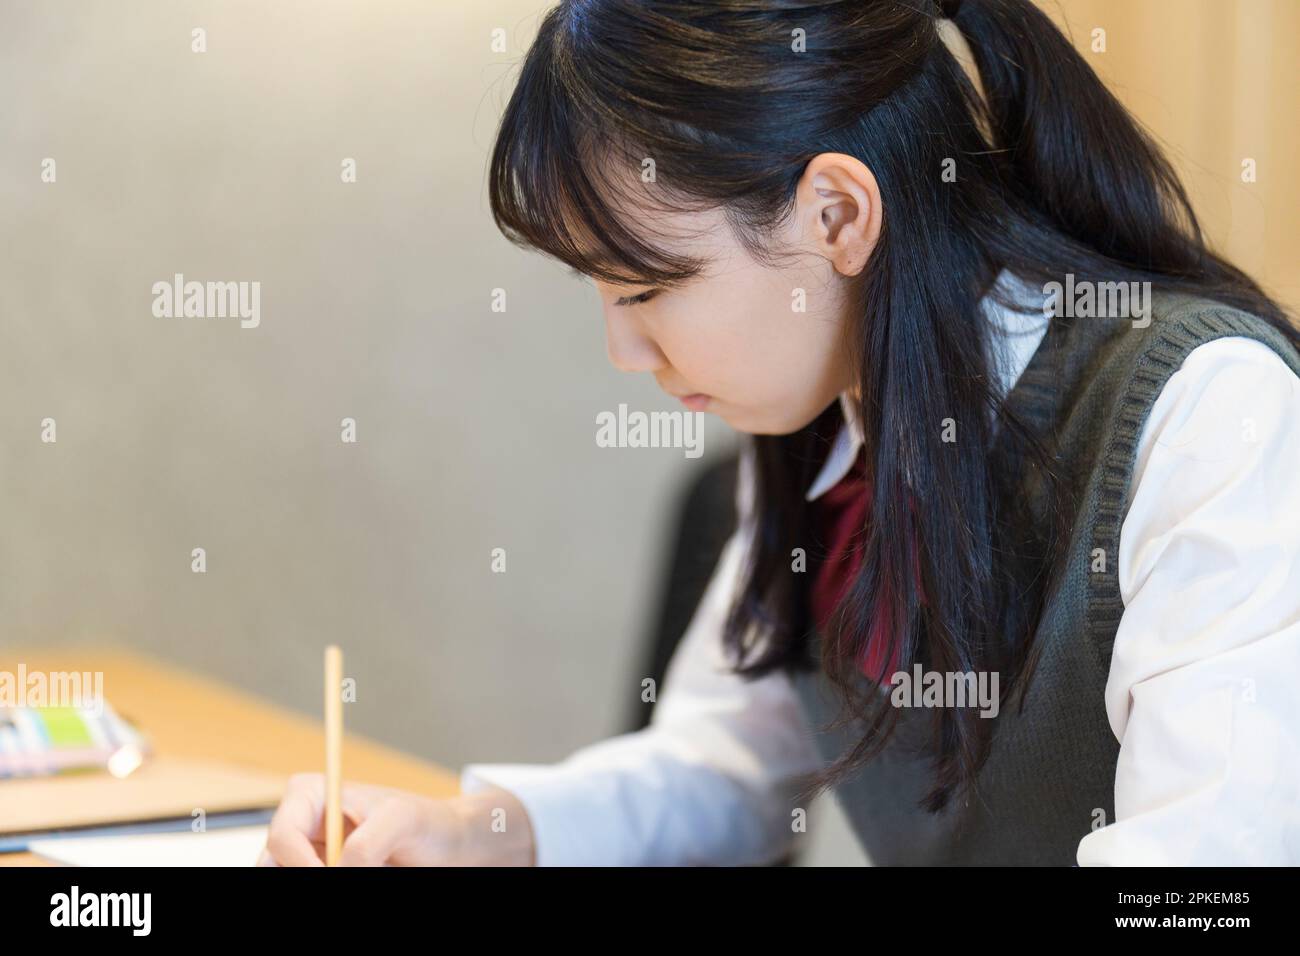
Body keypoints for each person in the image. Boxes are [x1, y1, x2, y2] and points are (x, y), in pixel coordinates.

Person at [261, 0, 1300, 866]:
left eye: (648, 287)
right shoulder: (822, 422)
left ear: (838, 215)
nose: (625, 351)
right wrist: (478, 831)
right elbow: (730, 760)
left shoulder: (1208, 414)